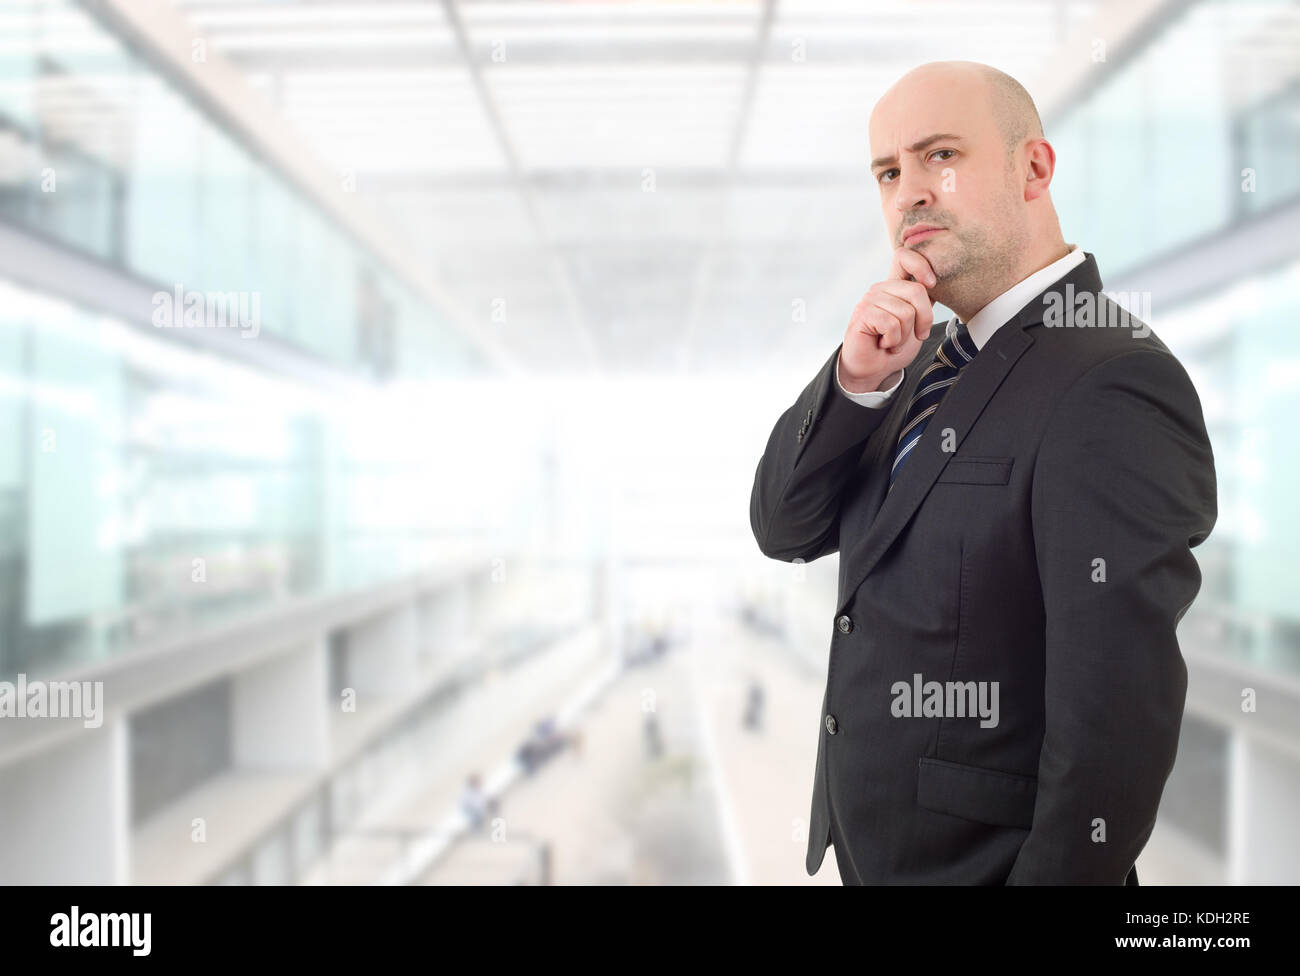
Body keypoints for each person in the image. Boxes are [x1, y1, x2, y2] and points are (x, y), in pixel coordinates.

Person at [749, 61, 1217, 885]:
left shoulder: (1113, 378)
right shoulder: (914, 358)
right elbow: (784, 531)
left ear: (1033, 168)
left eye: (940, 156)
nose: (908, 194)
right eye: (889, 172)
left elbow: (1115, 728)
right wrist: (857, 384)